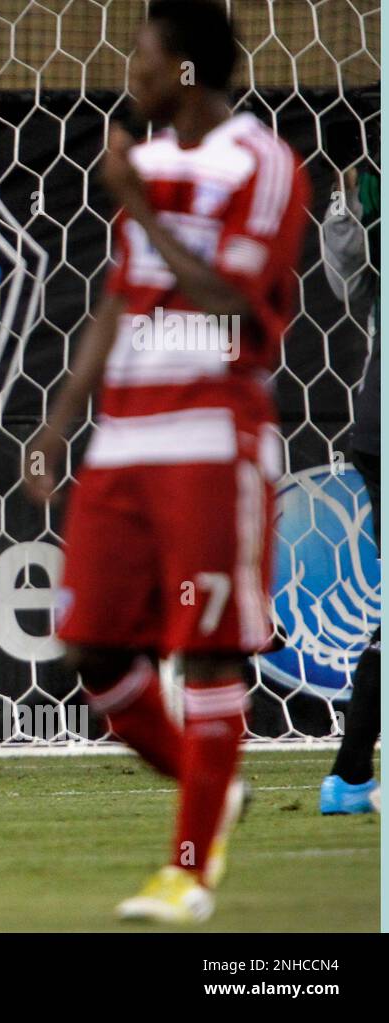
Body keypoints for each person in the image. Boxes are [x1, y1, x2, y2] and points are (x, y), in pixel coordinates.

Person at [23, 0, 310, 922]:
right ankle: (209, 786)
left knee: (211, 652)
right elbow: (121, 296)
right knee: (94, 645)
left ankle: (188, 871)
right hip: (125, 438)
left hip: (211, 431)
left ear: (184, 66)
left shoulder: (261, 164)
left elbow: (233, 298)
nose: (130, 68)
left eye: (143, 52)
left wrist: (141, 205)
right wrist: (60, 421)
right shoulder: (142, 164)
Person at [319, 155, 381, 814]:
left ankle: (351, 774)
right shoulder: (370, 202)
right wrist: (346, 208)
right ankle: (349, 773)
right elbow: (353, 285)